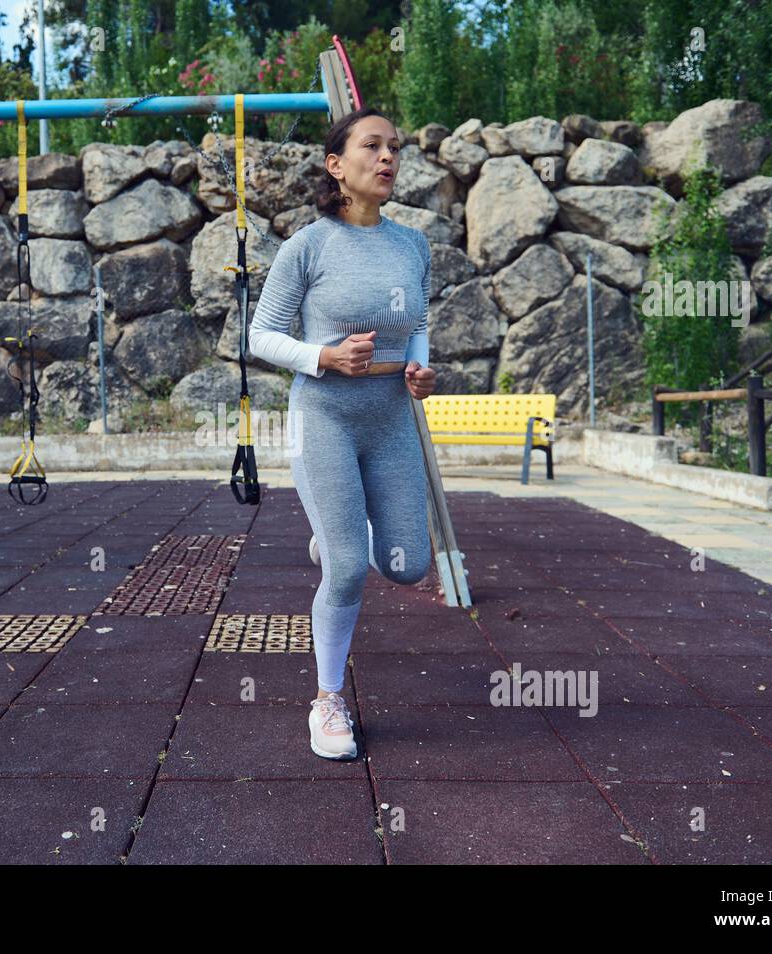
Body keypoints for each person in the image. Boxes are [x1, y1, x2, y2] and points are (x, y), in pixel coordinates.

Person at [248, 106, 436, 760]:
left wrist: (419, 367)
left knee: (410, 567)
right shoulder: (308, 246)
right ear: (336, 165)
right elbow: (261, 335)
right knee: (350, 567)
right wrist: (324, 356)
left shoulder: (413, 245)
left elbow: (417, 323)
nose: (387, 158)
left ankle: (331, 538)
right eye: (372, 146)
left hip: (391, 416)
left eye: (394, 148)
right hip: (323, 415)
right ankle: (327, 700)